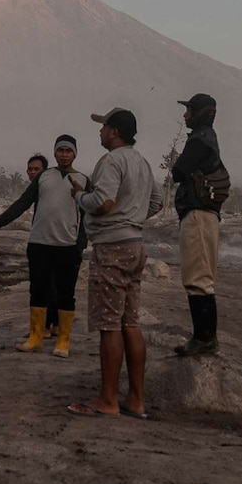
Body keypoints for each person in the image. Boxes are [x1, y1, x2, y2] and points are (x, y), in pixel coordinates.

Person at [67, 108, 162, 419]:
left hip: (111, 248)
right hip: (135, 244)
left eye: (104, 126)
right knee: (130, 323)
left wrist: (81, 197)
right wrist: (132, 218)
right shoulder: (141, 161)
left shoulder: (111, 161)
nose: (100, 131)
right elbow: (157, 202)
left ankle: (107, 400)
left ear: (115, 132)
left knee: (109, 325)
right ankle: (136, 400)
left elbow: (103, 202)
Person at [0, 137, 87, 357]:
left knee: (66, 294)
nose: (64, 154)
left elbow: (86, 216)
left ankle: (63, 341)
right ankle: (35, 337)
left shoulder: (83, 179)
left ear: (75, 154)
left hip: (67, 246)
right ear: (54, 154)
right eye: (60, 150)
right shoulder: (44, 176)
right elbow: (22, 203)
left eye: (68, 150)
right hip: (39, 244)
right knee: (37, 291)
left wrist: (80, 245)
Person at [171, 93, 224, 356]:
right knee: (199, 276)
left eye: (188, 111)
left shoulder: (200, 140)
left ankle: (205, 338)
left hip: (198, 215)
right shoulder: (207, 137)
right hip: (204, 214)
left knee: (198, 277)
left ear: (200, 113)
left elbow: (178, 171)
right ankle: (204, 337)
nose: (184, 116)